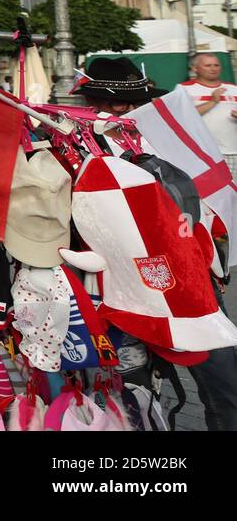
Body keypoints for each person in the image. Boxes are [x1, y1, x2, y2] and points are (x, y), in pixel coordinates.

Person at [78, 54, 237, 431]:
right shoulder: (79, 145)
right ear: (97, 104)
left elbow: (199, 198)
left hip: (188, 279)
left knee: (224, 378)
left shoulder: (161, 133)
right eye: (120, 103)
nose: (129, 110)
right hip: (120, 288)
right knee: (131, 389)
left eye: (136, 102)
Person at [176, 53, 237, 178]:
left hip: (233, 151)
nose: (213, 68)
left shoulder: (233, 88)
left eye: (216, 65)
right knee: (210, 195)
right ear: (195, 68)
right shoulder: (184, 88)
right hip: (204, 153)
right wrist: (213, 101)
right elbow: (180, 116)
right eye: (208, 65)